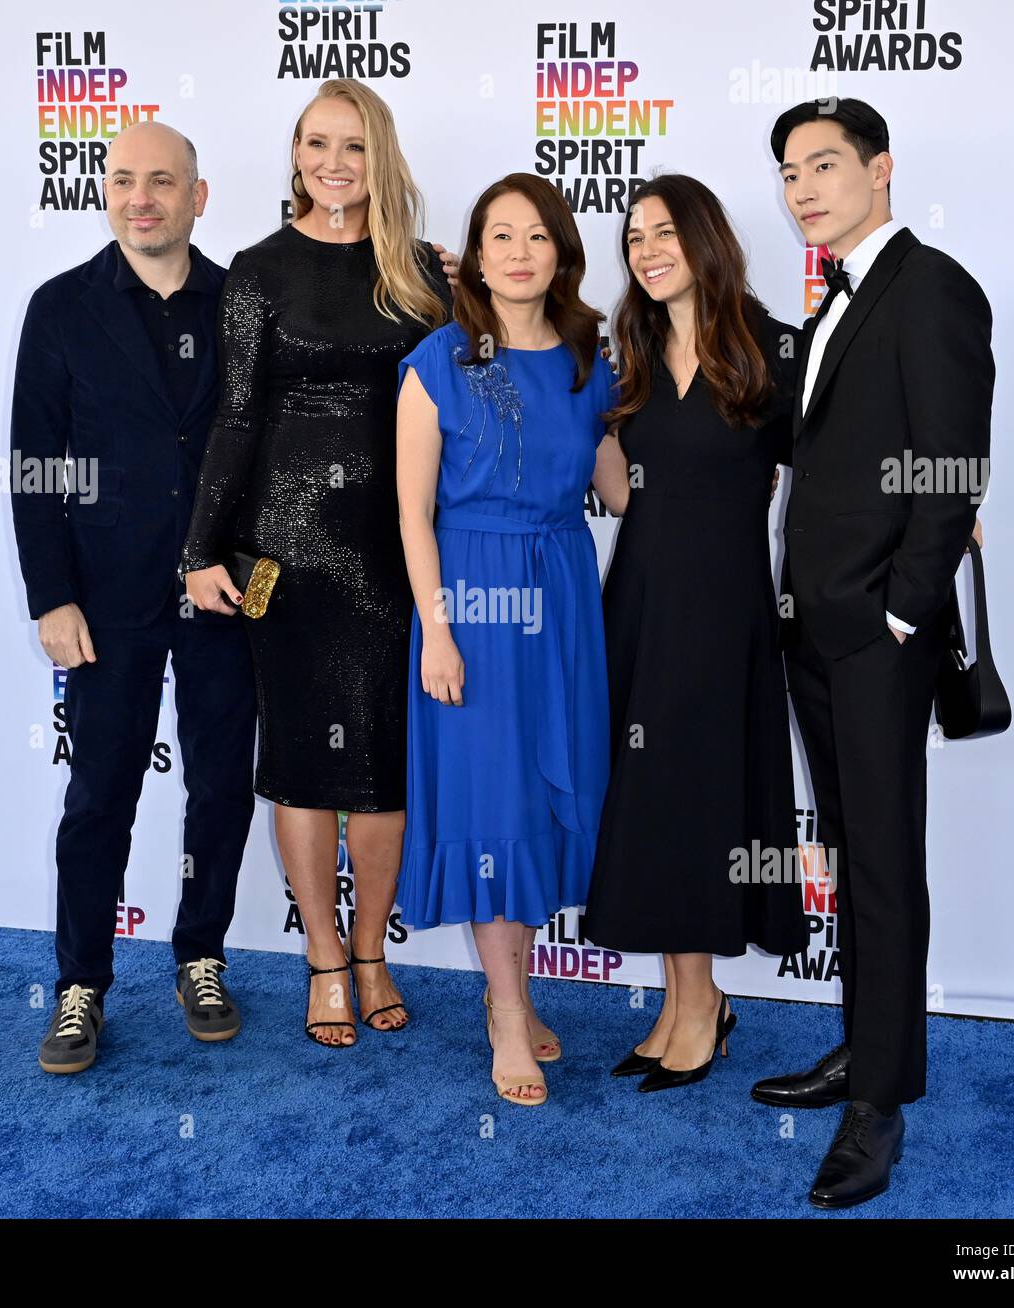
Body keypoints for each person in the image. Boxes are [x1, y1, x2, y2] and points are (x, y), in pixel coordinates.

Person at [752, 97, 994, 1208]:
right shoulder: (833, 297)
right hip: (815, 625)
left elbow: (953, 467)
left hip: (874, 635)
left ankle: (878, 1108)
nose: (802, 187)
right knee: (855, 851)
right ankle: (865, 1048)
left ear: (881, 169)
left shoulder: (930, 286)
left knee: (884, 864)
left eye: (823, 165)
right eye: (790, 172)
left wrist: (900, 614)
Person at [180, 80, 456, 1048]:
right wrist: (199, 549)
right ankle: (323, 959)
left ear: (379, 156)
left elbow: (475, 389)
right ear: (295, 153)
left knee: (382, 767)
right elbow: (236, 416)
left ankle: (373, 949)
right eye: (315, 144)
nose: (333, 162)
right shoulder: (256, 271)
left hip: (392, 548)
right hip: (284, 555)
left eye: (352, 145)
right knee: (300, 767)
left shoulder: (423, 273)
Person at [11, 121, 257, 1074]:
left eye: (163, 180)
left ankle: (202, 954)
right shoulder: (61, 307)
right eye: (123, 180)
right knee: (99, 795)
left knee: (221, 787)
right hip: (104, 597)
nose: (140, 196)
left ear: (200, 196)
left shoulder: (244, 303)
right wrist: (50, 597)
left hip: (222, 592)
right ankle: (82, 984)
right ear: (104, 192)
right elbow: (35, 465)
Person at [394, 173, 619, 1106]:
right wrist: (436, 636)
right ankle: (509, 1015)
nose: (519, 251)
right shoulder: (435, 362)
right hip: (473, 604)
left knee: (544, 800)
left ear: (560, 253)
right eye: (500, 236)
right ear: (475, 256)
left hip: (563, 601)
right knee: (492, 807)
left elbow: (618, 489)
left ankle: (512, 995)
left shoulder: (587, 360)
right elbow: (411, 517)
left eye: (537, 235)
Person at [583, 175, 811, 1092]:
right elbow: (614, 490)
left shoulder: (772, 349)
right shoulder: (625, 353)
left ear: (706, 237)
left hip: (724, 612)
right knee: (654, 803)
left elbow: (834, 464)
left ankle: (700, 1002)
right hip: (638, 600)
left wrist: (941, 504)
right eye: (635, 236)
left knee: (704, 803)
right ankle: (688, 1004)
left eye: (666, 231)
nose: (647, 249)